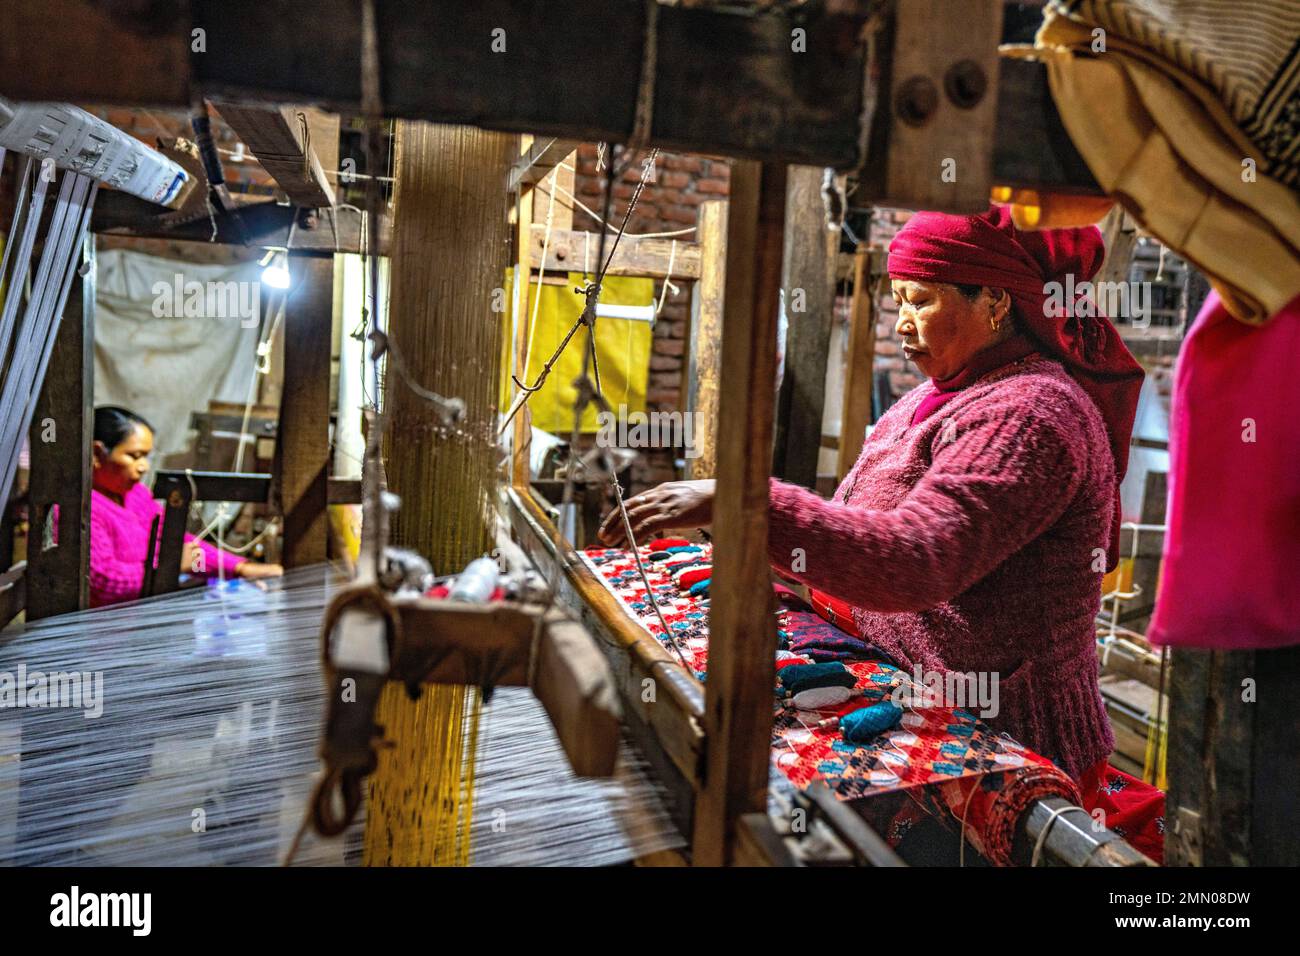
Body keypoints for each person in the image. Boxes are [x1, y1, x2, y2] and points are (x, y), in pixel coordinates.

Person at [598, 205, 1145, 789]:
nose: (902, 324)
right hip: (910, 695)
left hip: (1005, 742)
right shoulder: (931, 399)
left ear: (996, 302)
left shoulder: (1032, 415)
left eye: (922, 300)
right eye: (899, 300)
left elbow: (917, 559)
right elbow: (858, 522)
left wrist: (747, 504)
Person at [88, 406, 282, 607]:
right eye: (135, 455)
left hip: (140, 614)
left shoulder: (136, 496)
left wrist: (240, 569)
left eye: (146, 456)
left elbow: (178, 544)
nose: (143, 467)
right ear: (96, 453)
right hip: (104, 629)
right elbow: (102, 583)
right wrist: (171, 566)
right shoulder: (82, 509)